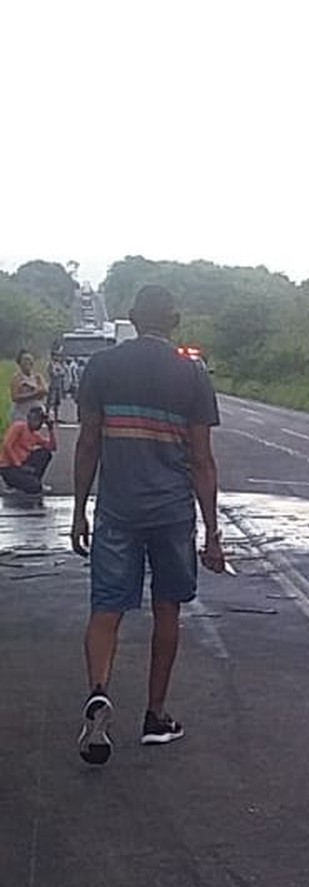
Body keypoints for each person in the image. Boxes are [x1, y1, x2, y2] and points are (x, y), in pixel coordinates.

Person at [71, 285, 225, 766]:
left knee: (106, 608)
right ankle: (155, 716)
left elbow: (89, 443)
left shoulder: (102, 367)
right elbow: (202, 460)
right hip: (172, 512)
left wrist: (80, 509)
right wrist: (213, 532)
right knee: (167, 612)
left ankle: (99, 691)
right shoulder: (192, 374)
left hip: (117, 509)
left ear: (133, 318)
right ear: (174, 321)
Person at [0, 405, 56, 493]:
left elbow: (52, 447)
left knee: (45, 453)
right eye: (35, 419)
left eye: (39, 420)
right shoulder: (18, 427)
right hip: (9, 466)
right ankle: (12, 484)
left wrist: (51, 429)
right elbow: (7, 446)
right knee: (34, 487)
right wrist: (18, 464)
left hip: (23, 465)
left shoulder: (35, 435)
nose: (37, 423)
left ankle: (33, 481)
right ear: (29, 418)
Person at [9, 349, 48, 424]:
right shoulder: (16, 378)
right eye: (25, 360)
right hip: (20, 413)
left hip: (35, 414)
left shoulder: (38, 377)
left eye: (30, 359)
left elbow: (44, 391)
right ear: (19, 363)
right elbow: (15, 397)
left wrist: (33, 388)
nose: (28, 362)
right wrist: (34, 394)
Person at [47, 350, 67, 422]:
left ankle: (56, 417)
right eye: (56, 356)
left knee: (57, 402)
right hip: (53, 385)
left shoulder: (60, 364)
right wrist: (58, 372)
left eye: (58, 356)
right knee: (51, 402)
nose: (58, 357)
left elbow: (63, 372)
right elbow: (53, 373)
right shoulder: (51, 364)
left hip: (59, 385)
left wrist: (59, 372)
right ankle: (48, 416)